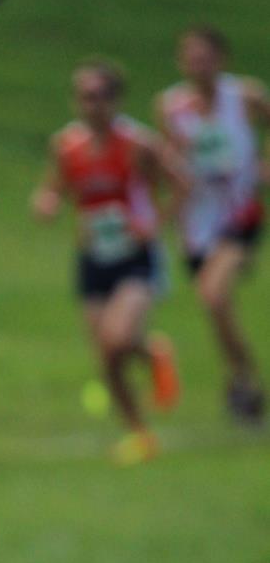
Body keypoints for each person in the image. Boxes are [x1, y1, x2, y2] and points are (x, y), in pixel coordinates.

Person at [32, 58, 184, 465]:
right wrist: (46, 203)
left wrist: (153, 225)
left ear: (116, 100)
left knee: (116, 340)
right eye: (84, 97)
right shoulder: (67, 145)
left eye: (99, 97)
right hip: (93, 257)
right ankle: (139, 431)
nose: (91, 105)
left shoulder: (139, 144)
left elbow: (181, 185)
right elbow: (55, 188)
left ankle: (148, 356)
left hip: (135, 257)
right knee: (107, 355)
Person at [155, 25, 269, 423]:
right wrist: (174, 180)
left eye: (204, 58)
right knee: (216, 307)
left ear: (221, 59)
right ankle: (243, 379)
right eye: (190, 58)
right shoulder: (170, 106)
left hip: (239, 211)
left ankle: (245, 380)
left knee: (214, 295)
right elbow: (169, 156)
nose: (197, 65)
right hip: (198, 220)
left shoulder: (245, 95)